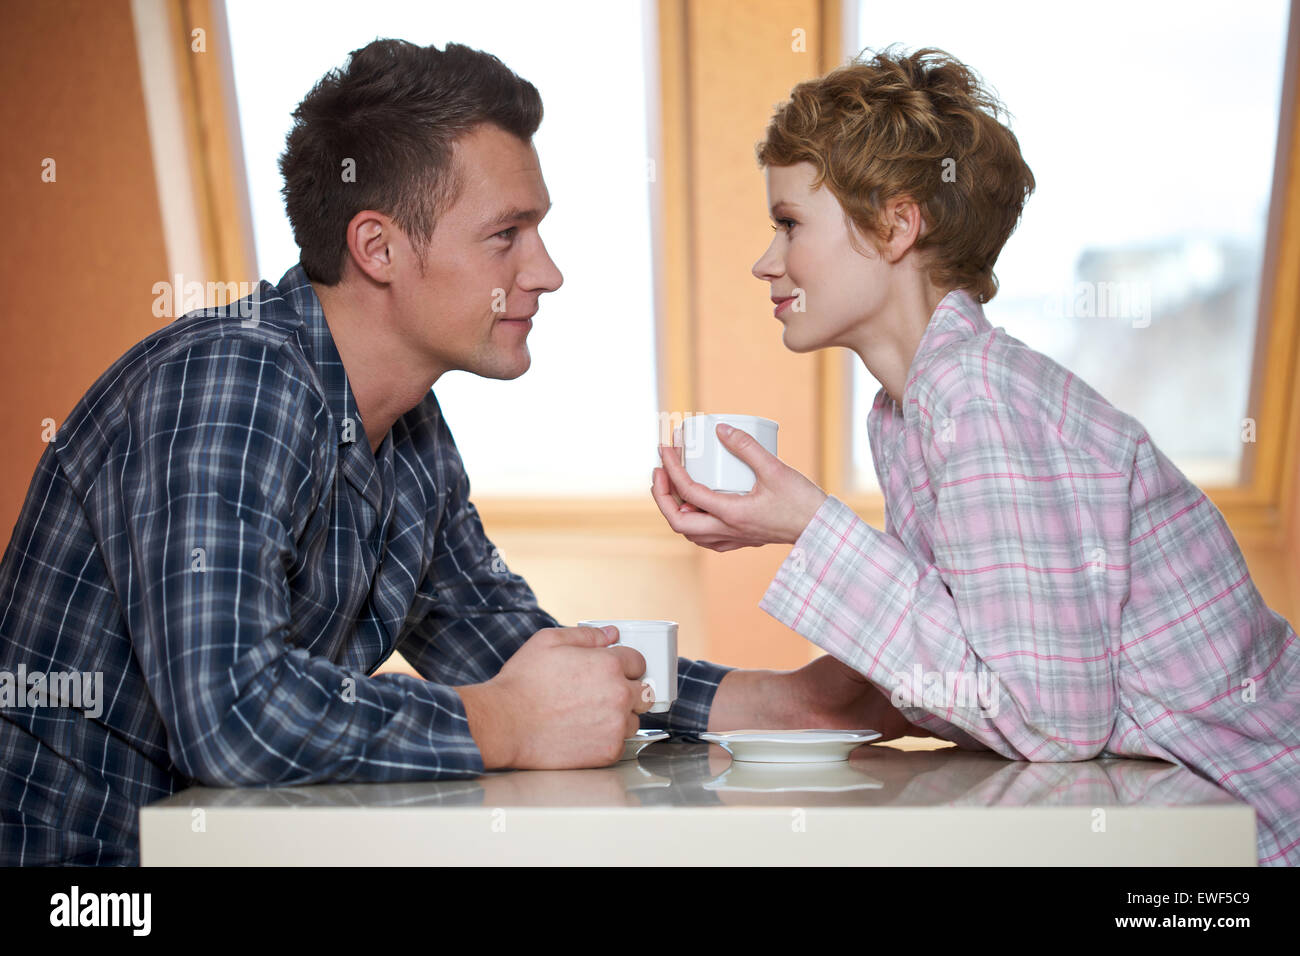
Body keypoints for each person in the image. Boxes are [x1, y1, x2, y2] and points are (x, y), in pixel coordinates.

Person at [0, 39, 915, 867]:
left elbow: (500, 642)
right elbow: (236, 717)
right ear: (378, 247)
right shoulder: (231, 382)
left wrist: (785, 705)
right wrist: (507, 723)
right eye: (506, 234)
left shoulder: (410, 432)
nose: (546, 270)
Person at [651, 46, 1299, 866]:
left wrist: (812, 526)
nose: (765, 260)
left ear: (895, 224)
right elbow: (981, 659)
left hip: (1251, 829)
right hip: (1184, 817)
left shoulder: (981, 405)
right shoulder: (911, 411)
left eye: (788, 224)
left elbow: (1055, 719)